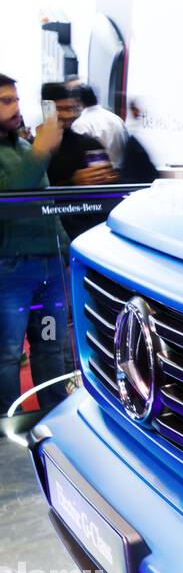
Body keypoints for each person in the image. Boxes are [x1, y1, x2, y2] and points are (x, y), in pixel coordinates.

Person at [0, 73, 72, 414]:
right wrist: (41, 151)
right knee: (8, 353)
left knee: (50, 347)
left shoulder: (26, 147)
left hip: (48, 264)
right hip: (10, 266)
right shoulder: (32, 150)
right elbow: (10, 197)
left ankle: (55, 418)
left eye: (15, 99)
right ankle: (6, 424)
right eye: (5, 101)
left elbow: (45, 204)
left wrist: (64, 247)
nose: (16, 107)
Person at [40, 83, 117, 188]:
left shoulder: (90, 144)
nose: (70, 115)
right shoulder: (34, 149)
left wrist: (111, 177)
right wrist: (73, 183)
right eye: (62, 108)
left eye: (72, 108)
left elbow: (108, 185)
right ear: (46, 110)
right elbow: (33, 193)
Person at [71, 84, 128, 170]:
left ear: (77, 102)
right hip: (121, 174)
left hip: (98, 176)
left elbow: (78, 157)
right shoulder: (116, 118)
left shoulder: (80, 124)